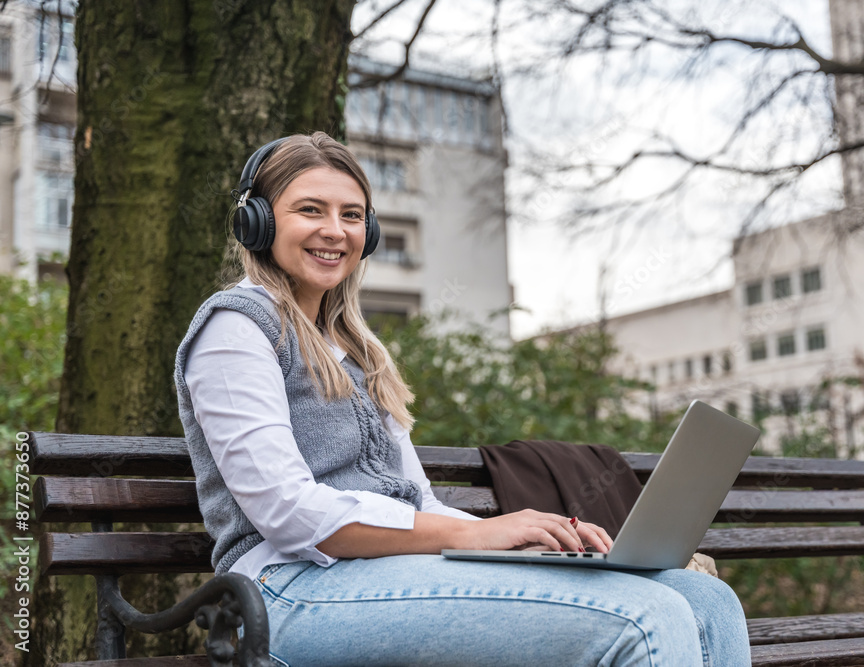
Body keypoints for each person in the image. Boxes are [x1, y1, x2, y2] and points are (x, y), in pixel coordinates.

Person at [174, 131, 752, 666]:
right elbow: (289, 514)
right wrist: (470, 535)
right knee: (646, 617)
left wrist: (517, 536)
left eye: (352, 215)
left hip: (385, 574)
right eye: (310, 210)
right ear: (255, 222)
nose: (336, 231)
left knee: (705, 599)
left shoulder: (359, 350)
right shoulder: (235, 329)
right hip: (285, 591)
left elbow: (419, 502)